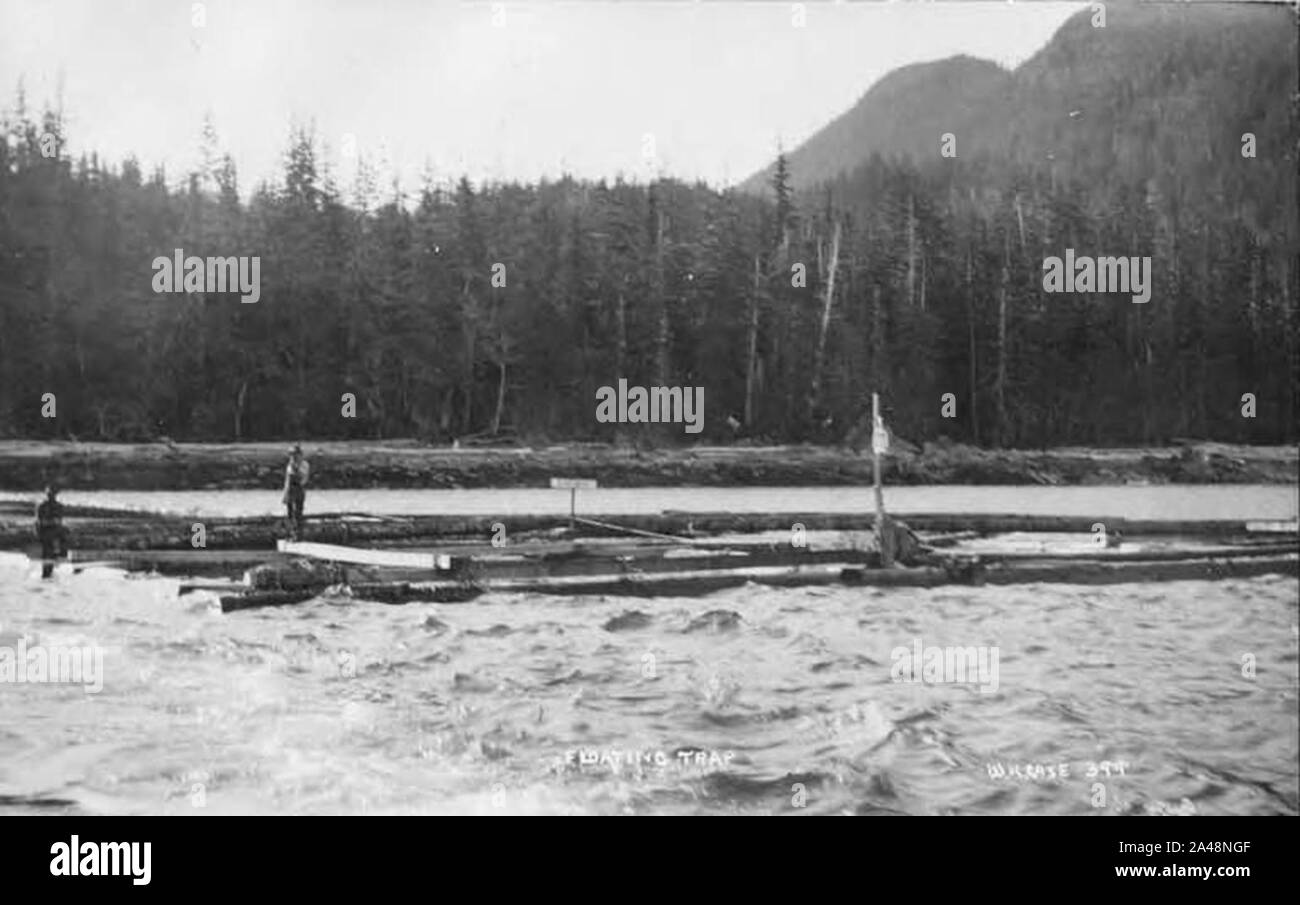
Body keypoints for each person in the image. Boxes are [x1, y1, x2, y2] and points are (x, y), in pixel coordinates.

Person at [34, 486, 68, 579]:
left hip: (49, 532)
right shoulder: (47, 506)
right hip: (50, 532)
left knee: (48, 553)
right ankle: (58, 559)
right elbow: (40, 521)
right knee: (49, 553)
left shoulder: (44, 506)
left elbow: (39, 522)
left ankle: (49, 571)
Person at [282, 445, 310, 540]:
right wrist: (285, 494)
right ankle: (290, 533)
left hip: (299, 489)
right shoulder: (289, 465)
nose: (293, 456)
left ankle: (298, 534)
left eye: (295, 454)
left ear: (300, 455)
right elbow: (287, 480)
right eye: (291, 454)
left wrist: (295, 467)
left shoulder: (304, 464)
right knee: (290, 513)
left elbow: (303, 478)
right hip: (290, 490)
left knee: (297, 512)